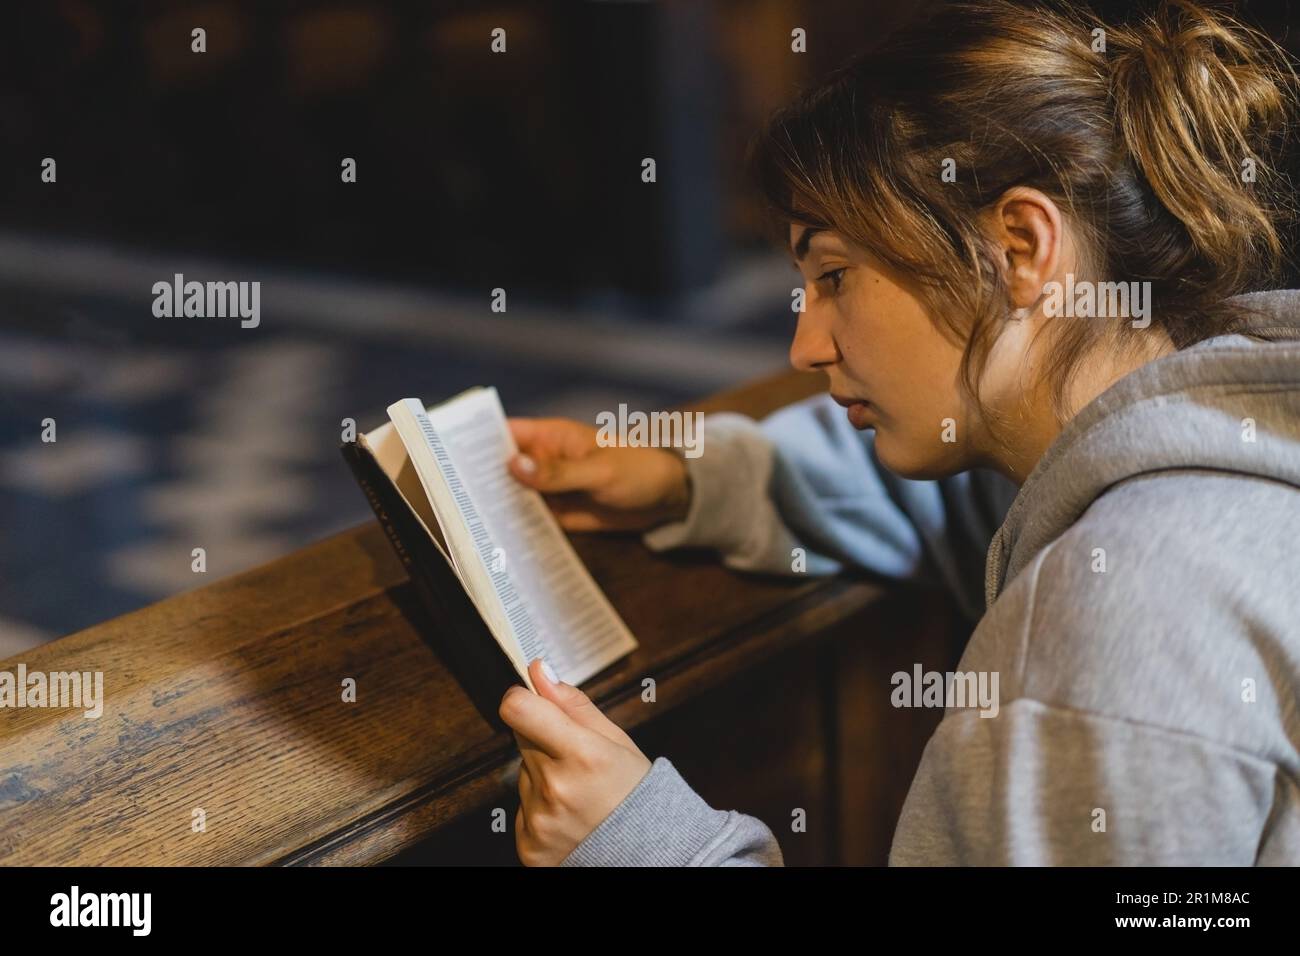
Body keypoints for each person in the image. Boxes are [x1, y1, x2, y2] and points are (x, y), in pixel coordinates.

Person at [496, 0, 1300, 865]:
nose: (806, 345)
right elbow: (976, 506)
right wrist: (691, 478)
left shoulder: (1112, 613)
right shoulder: (1231, 434)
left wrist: (646, 848)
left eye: (835, 274)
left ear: (1021, 248)